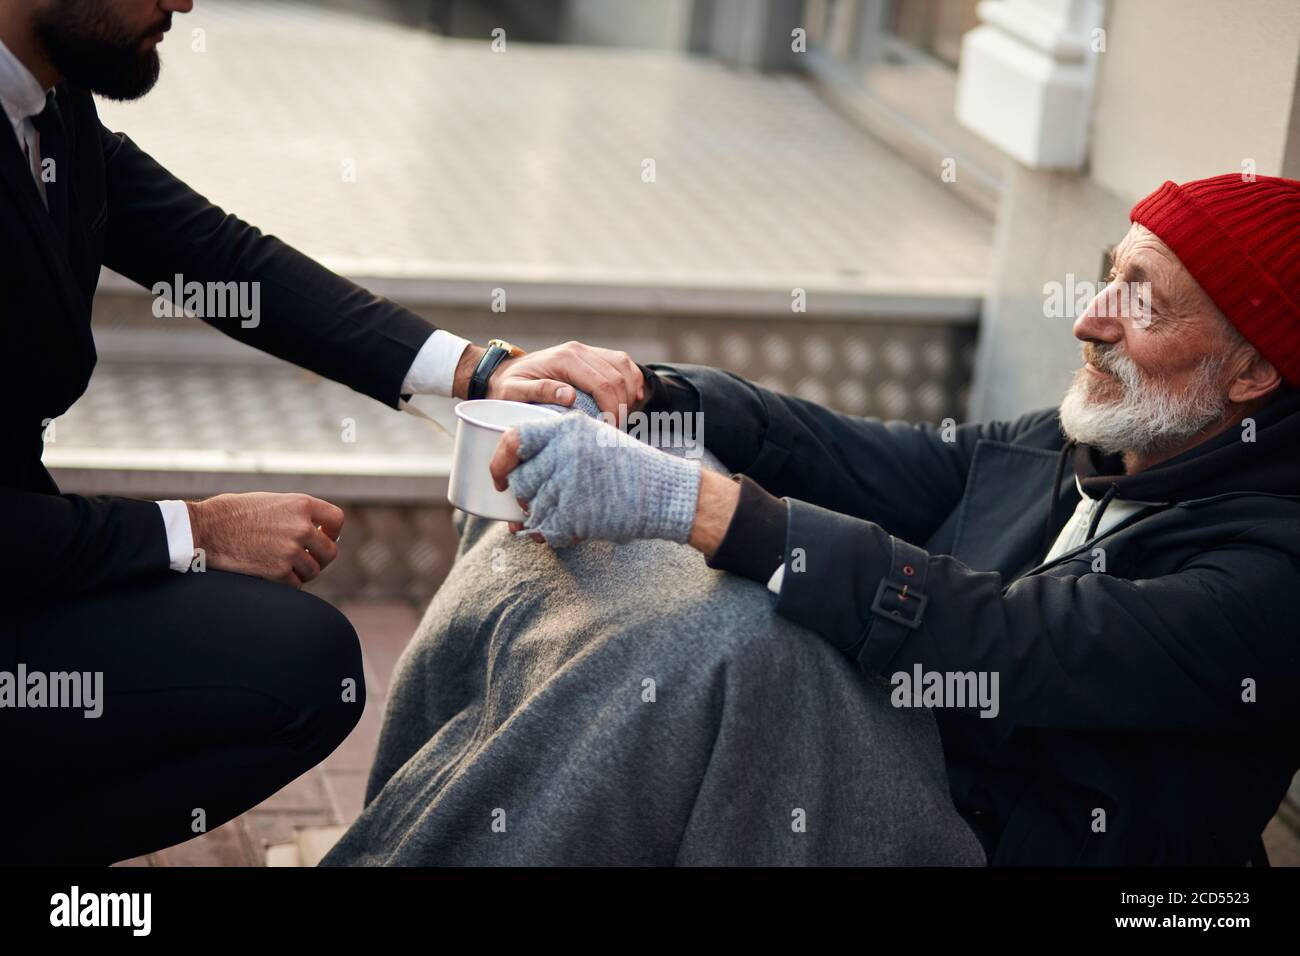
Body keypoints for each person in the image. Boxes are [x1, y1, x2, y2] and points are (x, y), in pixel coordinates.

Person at [490, 173, 1300, 865]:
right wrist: (653, 398)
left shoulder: (1273, 575)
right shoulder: (1093, 446)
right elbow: (866, 461)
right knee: (575, 522)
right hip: (910, 776)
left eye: (1144, 300)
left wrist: (685, 504)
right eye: (1108, 276)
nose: (1090, 320)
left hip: (1001, 850)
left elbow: (1004, 640)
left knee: (732, 643)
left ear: (1253, 369)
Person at [0, 0, 642, 864]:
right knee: (300, 674)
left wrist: (476, 371)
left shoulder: (45, 99)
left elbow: (223, 259)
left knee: (305, 661)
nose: (187, 2)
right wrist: (199, 530)